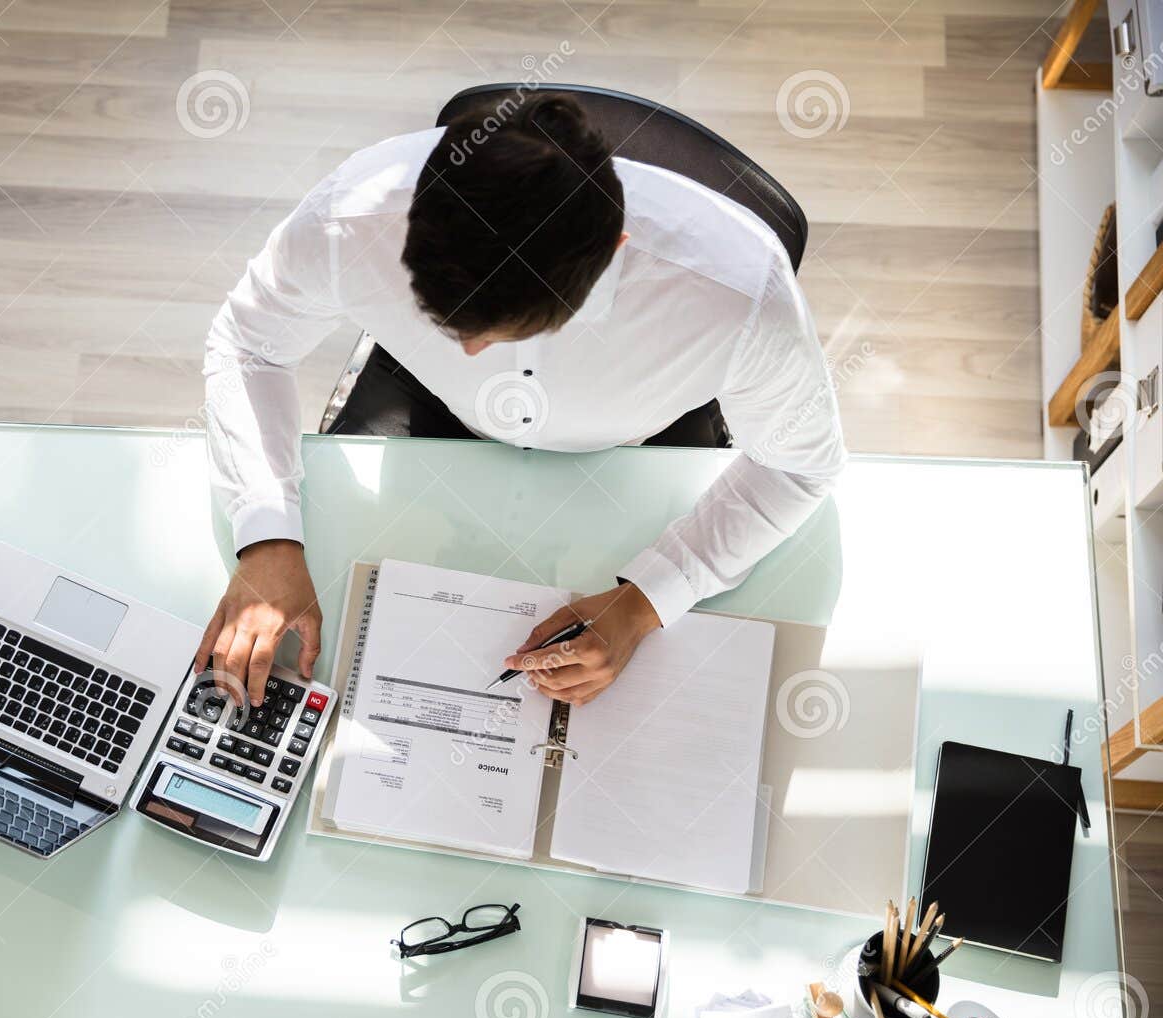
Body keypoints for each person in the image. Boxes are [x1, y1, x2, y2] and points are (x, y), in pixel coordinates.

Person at [196, 92, 844, 708]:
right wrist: (266, 536)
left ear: (611, 252)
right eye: (446, 321)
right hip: (425, 395)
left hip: (644, 440)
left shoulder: (739, 293)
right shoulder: (351, 214)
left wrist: (647, 599)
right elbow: (249, 344)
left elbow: (797, 464)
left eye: (499, 329)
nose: (472, 353)